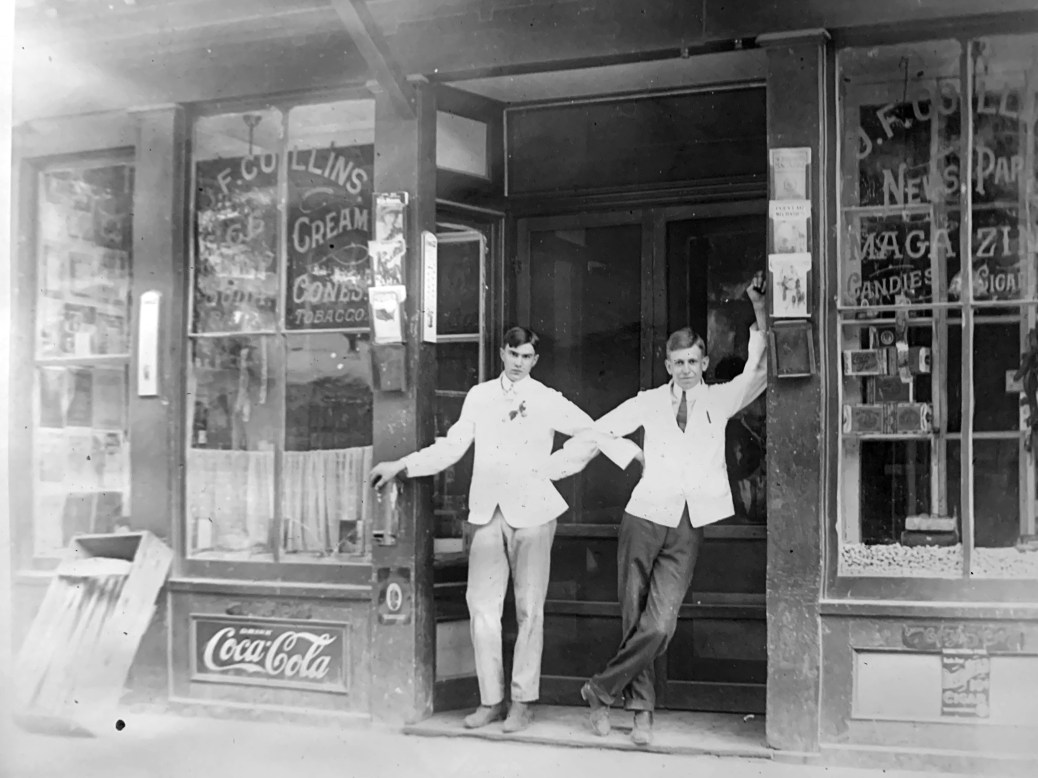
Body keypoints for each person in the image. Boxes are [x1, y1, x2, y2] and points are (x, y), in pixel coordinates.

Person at [369, 325, 635, 733]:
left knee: (530, 610)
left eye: (527, 356)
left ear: (535, 360)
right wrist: (401, 465)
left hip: (533, 513)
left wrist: (553, 468)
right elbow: (453, 446)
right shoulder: (480, 397)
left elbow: (593, 432)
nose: (518, 362)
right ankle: (490, 699)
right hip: (488, 514)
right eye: (513, 354)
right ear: (502, 353)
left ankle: (523, 701)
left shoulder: (547, 399)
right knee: (482, 608)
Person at [577, 272, 769, 746]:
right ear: (666, 363)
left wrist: (760, 312)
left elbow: (757, 374)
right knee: (633, 615)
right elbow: (598, 430)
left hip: (688, 523)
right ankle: (640, 713)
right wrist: (632, 455)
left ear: (704, 362)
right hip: (644, 515)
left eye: (693, 361)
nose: (685, 369)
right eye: (677, 361)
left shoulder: (718, 400)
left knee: (660, 624)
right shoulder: (647, 403)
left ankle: (601, 690)